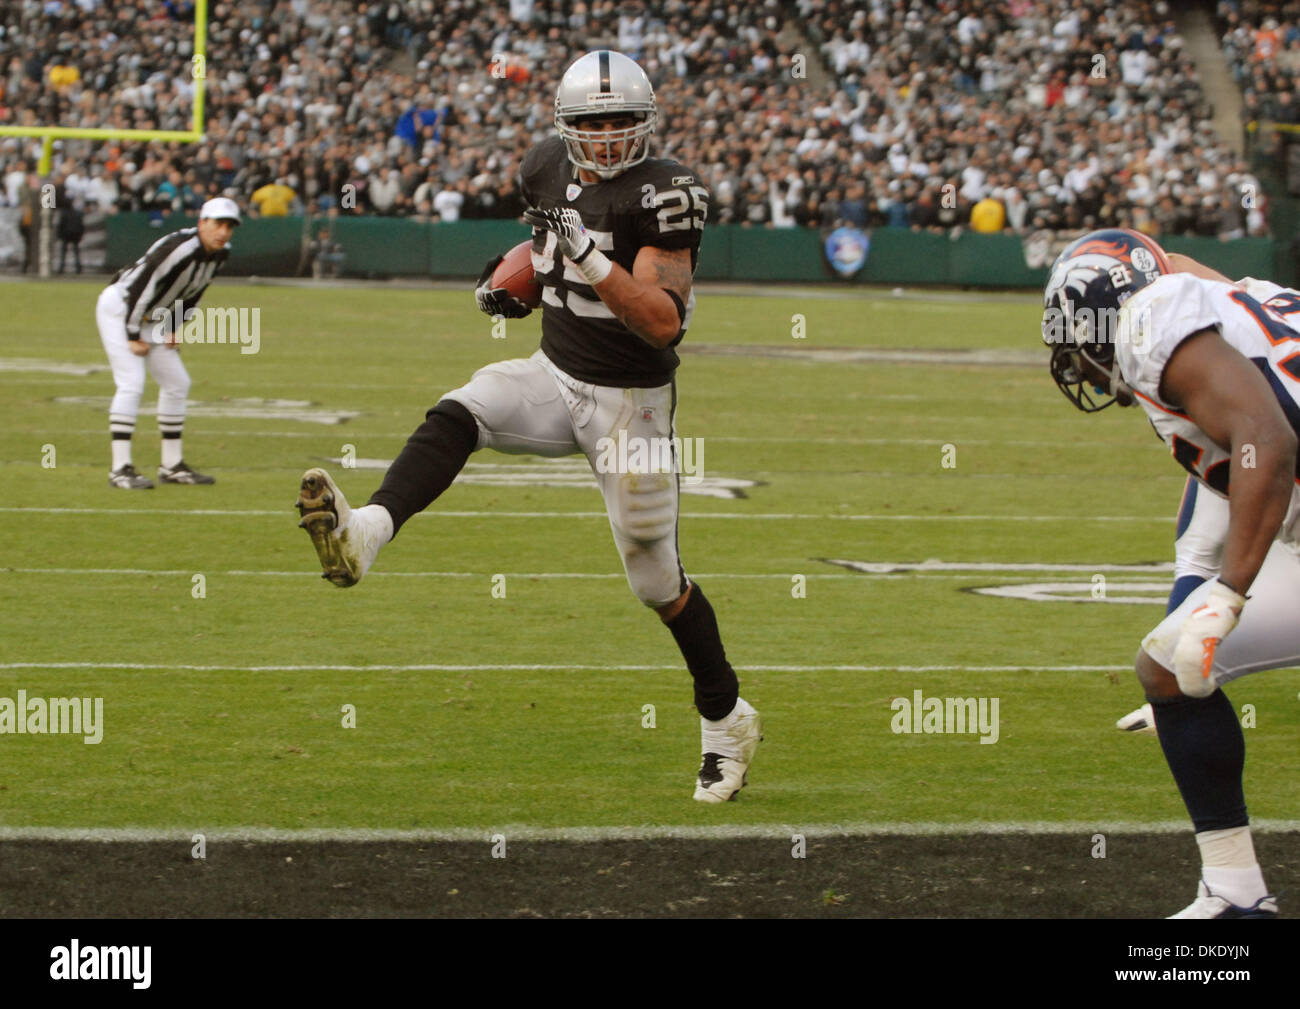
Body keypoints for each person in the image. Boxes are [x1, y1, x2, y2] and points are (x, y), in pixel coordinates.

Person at [294, 50, 761, 803]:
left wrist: (582, 253)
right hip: (556, 373)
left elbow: (661, 323)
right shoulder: (544, 164)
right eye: (591, 123)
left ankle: (726, 719)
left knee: (654, 577)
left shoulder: (668, 192)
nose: (606, 137)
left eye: (619, 122)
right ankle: (366, 531)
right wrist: (515, 281)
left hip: (629, 400)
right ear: (563, 127)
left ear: (645, 125)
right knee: (463, 408)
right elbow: (544, 247)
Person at [1041, 227, 1300, 918]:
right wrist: (1196, 613)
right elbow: (1222, 490)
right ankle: (1234, 889)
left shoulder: (1150, 323)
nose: (1078, 367)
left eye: (1074, 343)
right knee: (1167, 668)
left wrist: (1231, 592)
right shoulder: (1209, 310)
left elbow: (1267, 440)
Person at [96, 196, 239, 488]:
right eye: (218, 224)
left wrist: (172, 326)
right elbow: (141, 286)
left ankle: (172, 466)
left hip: (152, 315)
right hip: (122, 308)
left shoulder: (220, 252)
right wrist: (133, 333)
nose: (223, 231)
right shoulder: (179, 249)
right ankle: (120, 468)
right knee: (131, 382)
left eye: (229, 226)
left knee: (177, 382)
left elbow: (194, 293)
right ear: (202, 223)